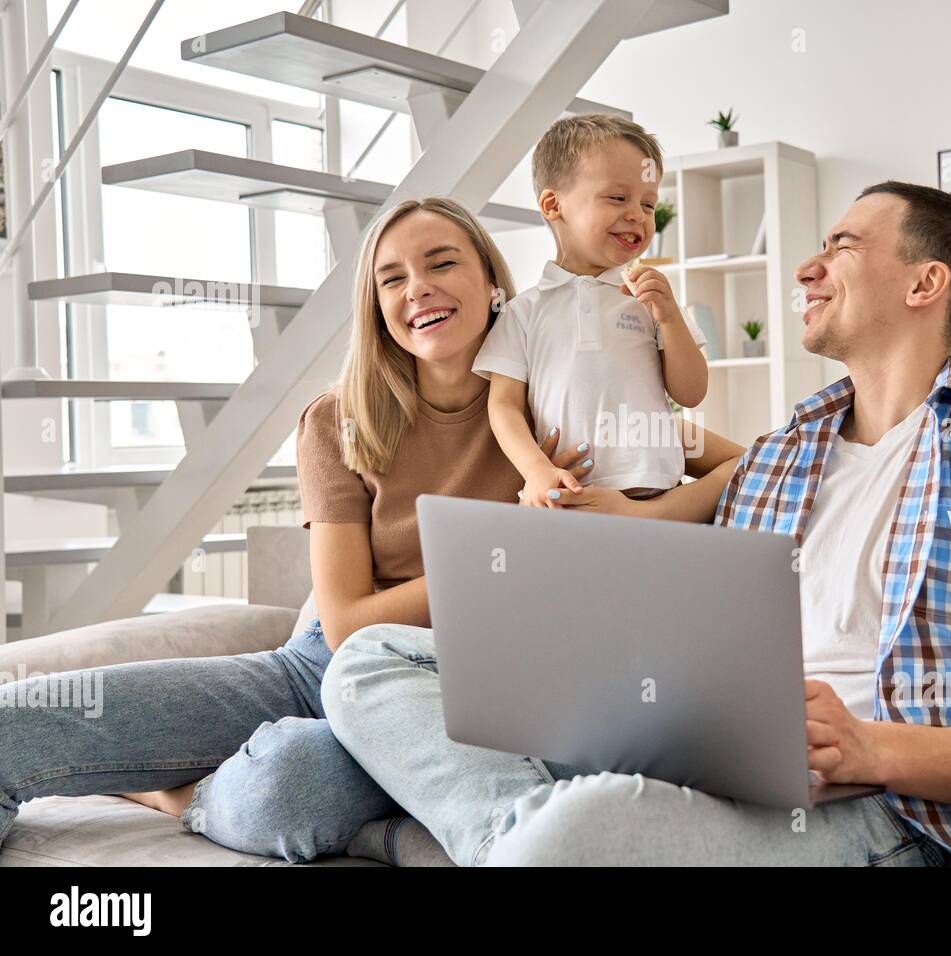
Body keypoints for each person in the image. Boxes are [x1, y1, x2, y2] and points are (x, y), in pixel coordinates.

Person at [320, 181, 951, 866]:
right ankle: (512, 840)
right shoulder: (776, 457)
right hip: (695, 748)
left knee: (581, 830)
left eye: (841, 245)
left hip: (868, 806)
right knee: (367, 661)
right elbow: (667, 564)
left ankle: (516, 840)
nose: (806, 268)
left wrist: (868, 746)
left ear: (924, 284)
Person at [0, 196, 743, 864]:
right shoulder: (338, 420)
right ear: (378, 304)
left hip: (471, 687)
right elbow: (348, 622)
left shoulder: (564, 398)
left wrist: (641, 513)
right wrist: (507, 546)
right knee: (16, 722)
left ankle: (185, 794)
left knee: (292, 787)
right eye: (392, 278)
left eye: (441, 263)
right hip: (321, 667)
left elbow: (754, 462)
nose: (416, 287)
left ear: (493, 282)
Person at [474, 113, 710, 507]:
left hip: (659, 492)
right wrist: (536, 469)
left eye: (648, 204)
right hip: (572, 495)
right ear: (553, 205)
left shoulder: (652, 300)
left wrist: (669, 319)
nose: (637, 214)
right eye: (618, 198)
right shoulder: (522, 312)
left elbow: (691, 393)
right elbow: (503, 405)